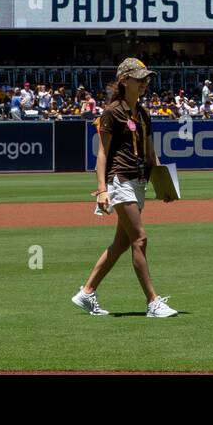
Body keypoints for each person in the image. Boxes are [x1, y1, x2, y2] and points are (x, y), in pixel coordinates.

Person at [72, 58, 178, 318]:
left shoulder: (142, 113)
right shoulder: (112, 112)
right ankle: (153, 302)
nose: (144, 83)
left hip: (139, 182)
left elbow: (152, 154)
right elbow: (102, 154)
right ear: (124, 81)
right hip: (120, 181)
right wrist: (102, 189)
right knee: (139, 239)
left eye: (146, 78)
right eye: (139, 78)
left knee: (121, 243)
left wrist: (163, 184)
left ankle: (86, 292)